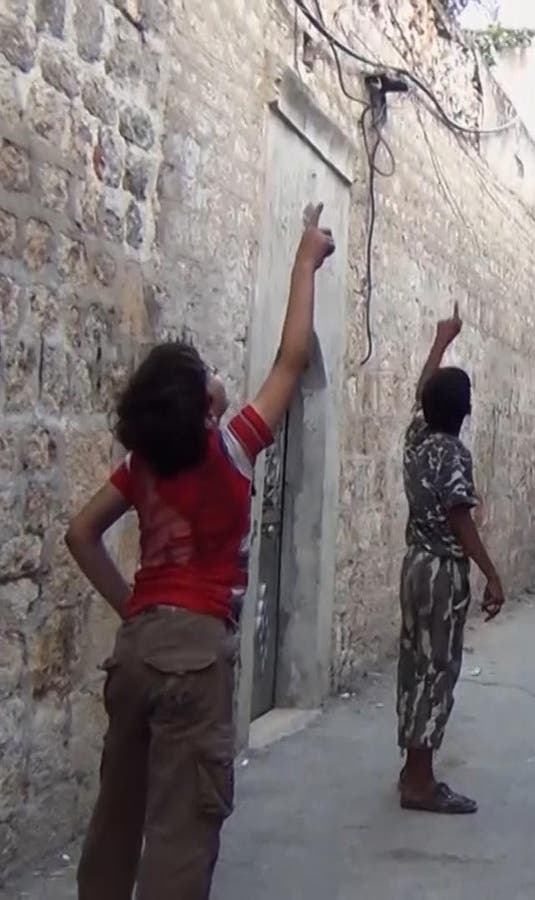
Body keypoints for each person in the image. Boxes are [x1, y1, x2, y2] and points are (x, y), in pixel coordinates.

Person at [66, 203, 336, 899]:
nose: (221, 375)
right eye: (212, 373)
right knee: (183, 829)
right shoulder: (233, 450)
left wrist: (135, 608)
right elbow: (292, 357)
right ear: (206, 407)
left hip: (136, 648)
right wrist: (304, 260)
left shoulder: (142, 467)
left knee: (116, 815)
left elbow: (80, 534)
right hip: (195, 652)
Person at [397, 303, 505, 815]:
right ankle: (420, 779)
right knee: (439, 668)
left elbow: (423, 391)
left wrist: (442, 339)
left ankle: (411, 764)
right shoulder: (453, 454)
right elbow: (461, 519)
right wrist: (492, 574)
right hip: (442, 568)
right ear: (465, 411)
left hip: (413, 563)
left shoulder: (415, 441)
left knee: (413, 662)